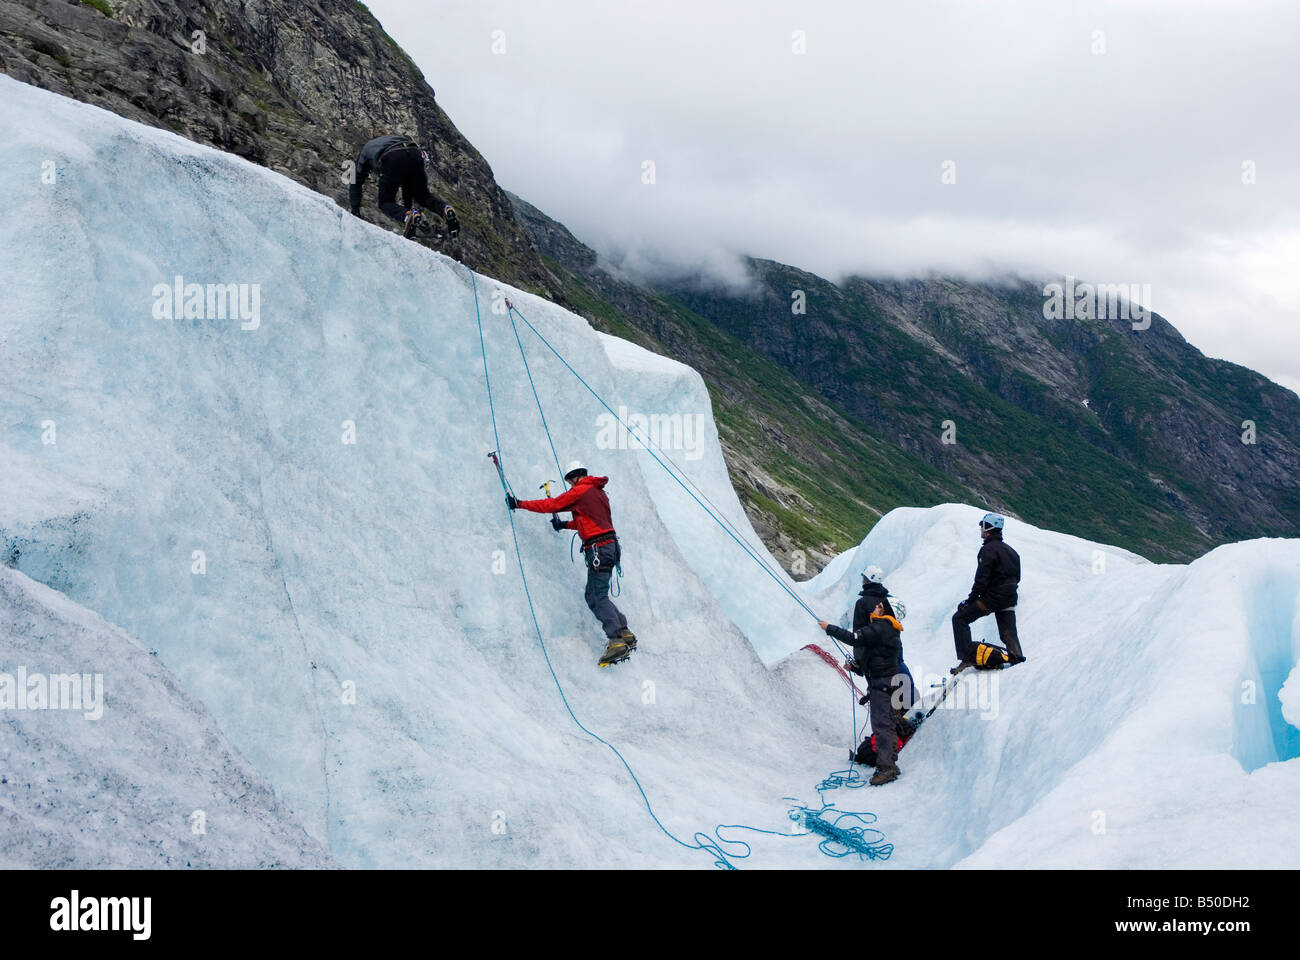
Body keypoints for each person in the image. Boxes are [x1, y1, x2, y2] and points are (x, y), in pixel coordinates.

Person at [508, 460, 636, 667]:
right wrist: (565, 524)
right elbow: (588, 521)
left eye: (569, 482)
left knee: (596, 596)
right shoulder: (598, 492)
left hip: (599, 549)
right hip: (609, 547)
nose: (569, 486)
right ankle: (624, 633)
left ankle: (616, 640)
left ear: (574, 477)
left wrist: (520, 503)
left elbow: (552, 504)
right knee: (598, 593)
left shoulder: (581, 491)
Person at [818, 576, 911, 785]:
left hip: (882, 685)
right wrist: (857, 668)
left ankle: (887, 768)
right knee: (886, 723)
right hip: (886, 683)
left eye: (880, 605)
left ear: (887, 610)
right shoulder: (889, 629)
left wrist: (828, 628)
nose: (876, 606)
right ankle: (886, 763)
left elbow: (856, 638)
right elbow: (876, 658)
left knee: (882, 725)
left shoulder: (882, 627)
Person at [347, 133, 459, 238]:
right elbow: (407, 187)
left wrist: (355, 209)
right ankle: (445, 209)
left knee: (385, 203)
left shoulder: (366, 149)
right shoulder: (394, 137)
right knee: (423, 196)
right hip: (414, 154)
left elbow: (355, 180)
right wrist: (410, 214)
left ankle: (407, 216)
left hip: (391, 157)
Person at [951, 513, 1025, 671]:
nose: (980, 529)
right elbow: (1017, 577)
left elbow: (981, 580)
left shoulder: (988, 550)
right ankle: (1017, 658)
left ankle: (967, 658)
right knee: (1008, 632)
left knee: (960, 618)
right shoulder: (1012, 552)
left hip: (993, 598)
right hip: (1010, 597)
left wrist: (970, 600)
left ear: (988, 528)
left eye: (982, 526)